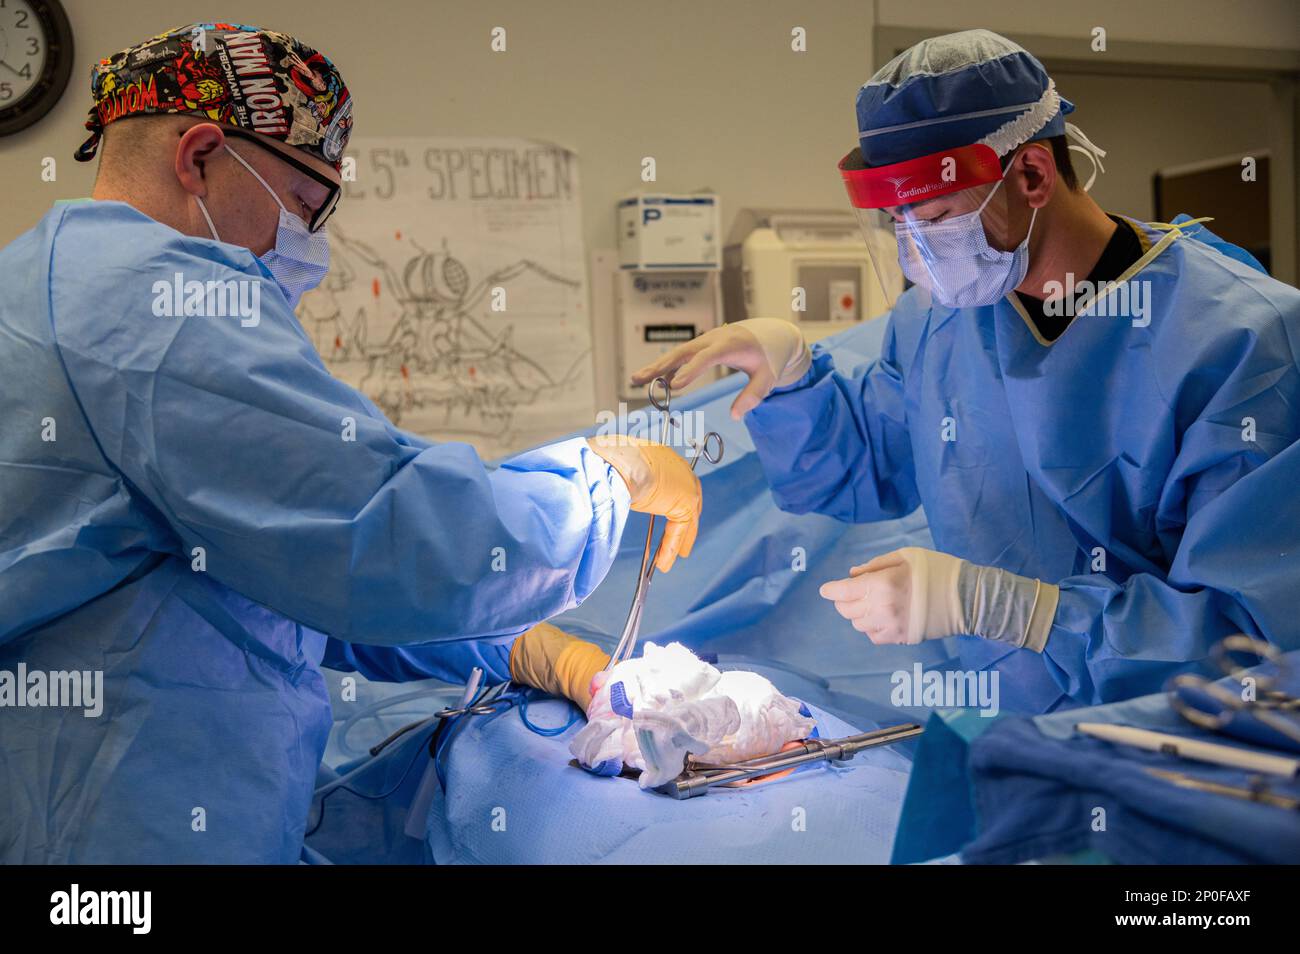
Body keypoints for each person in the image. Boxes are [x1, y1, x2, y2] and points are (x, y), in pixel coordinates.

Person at [0, 23, 699, 863]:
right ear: (199, 155)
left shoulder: (40, 285)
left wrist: (523, 647)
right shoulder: (160, 309)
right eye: (304, 205)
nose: (311, 244)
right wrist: (603, 480)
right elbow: (379, 531)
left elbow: (261, 569)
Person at [635, 29, 1300, 714]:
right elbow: (872, 462)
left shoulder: (1242, 342)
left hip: (1175, 753)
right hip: (1005, 726)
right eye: (898, 224)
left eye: (934, 218)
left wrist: (1007, 610)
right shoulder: (941, 319)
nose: (916, 254)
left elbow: (1249, 642)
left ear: (1033, 176)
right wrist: (790, 373)